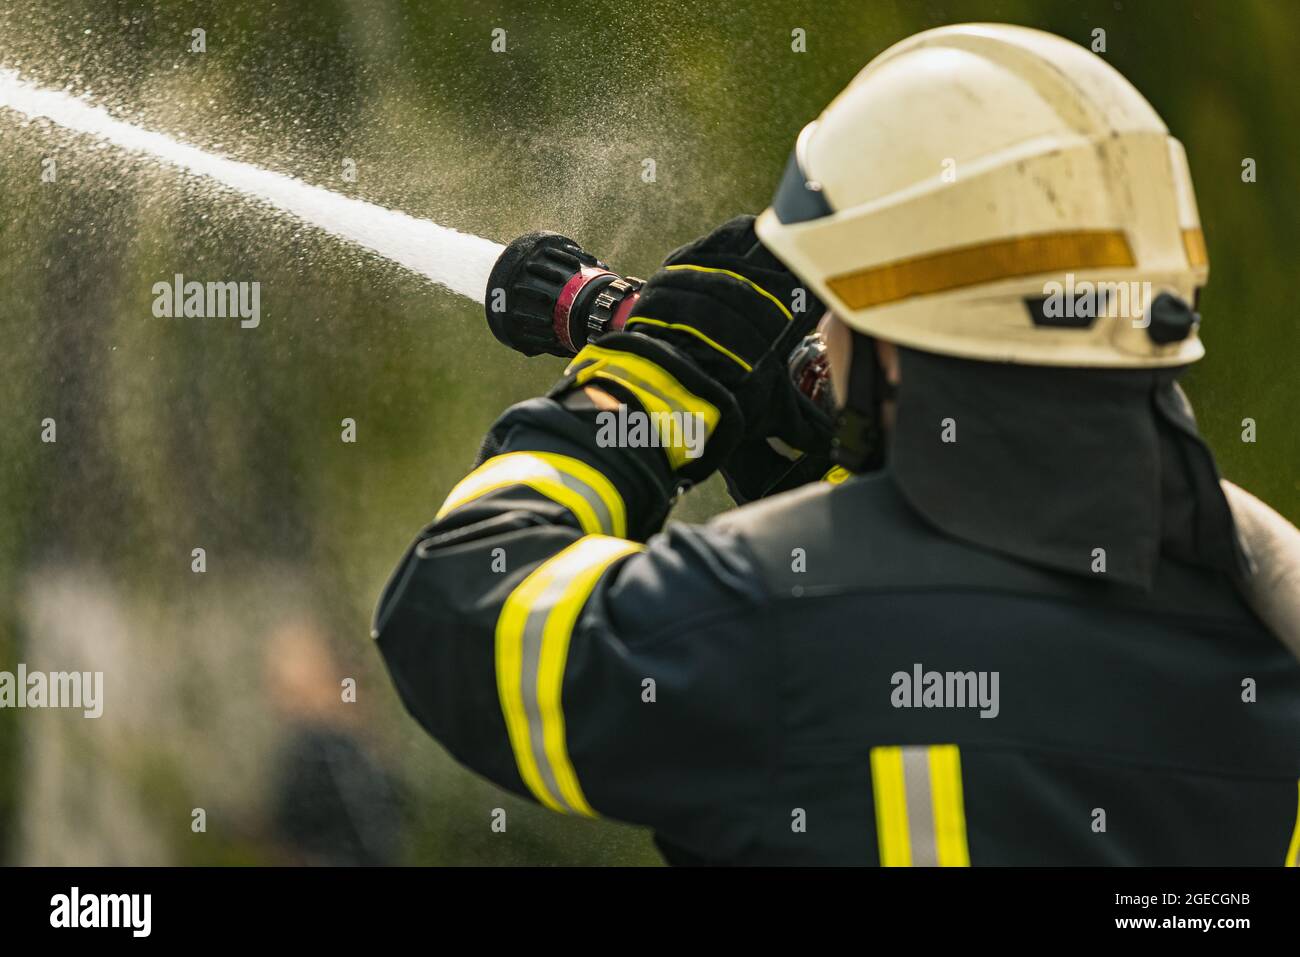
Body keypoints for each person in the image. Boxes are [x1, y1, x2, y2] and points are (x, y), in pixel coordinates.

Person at [372, 24, 1300, 865]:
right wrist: (845, 486)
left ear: (904, 340)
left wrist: (647, 387)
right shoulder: (1252, 652)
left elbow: (453, 609)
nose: (820, 340)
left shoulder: (781, 619)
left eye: (839, 304)